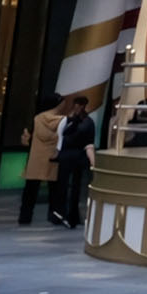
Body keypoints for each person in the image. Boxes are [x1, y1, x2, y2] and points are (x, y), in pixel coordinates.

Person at [18, 93, 64, 225]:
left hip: (35, 158)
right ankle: (55, 216)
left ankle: (25, 217)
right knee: (55, 190)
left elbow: (26, 140)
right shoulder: (61, 121)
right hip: (53, 158)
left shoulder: (36, 119)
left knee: (30, 191)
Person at [51, 95, 96, 229]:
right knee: (69, 186)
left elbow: (84, 141)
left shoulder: (81, 122)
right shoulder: (79, 121)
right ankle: (67, 215)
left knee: (71, 186)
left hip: (73, 156)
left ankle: (68, 215)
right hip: (74, 156)